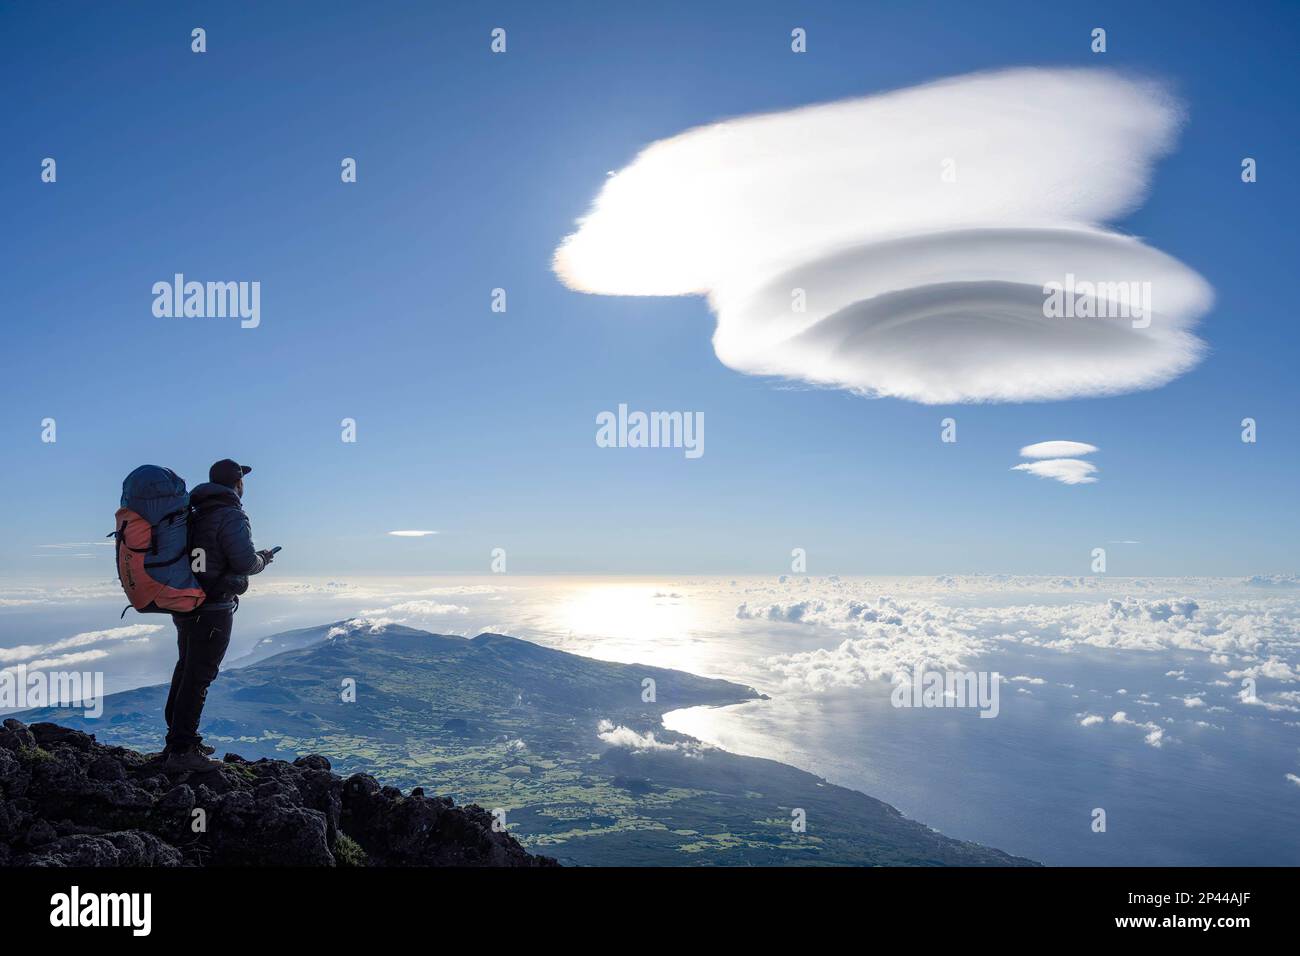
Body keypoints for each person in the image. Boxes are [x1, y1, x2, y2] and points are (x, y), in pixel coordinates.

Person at [162, 459, 276, 771]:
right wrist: (262, 560)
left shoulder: (194, 511)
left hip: (185, 602)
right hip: (212, 607)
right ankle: (182, 751)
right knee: (199, 676)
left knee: (186, 669)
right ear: (238, 483)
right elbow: (242, 562)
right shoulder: (230, 513)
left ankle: (179, 741)